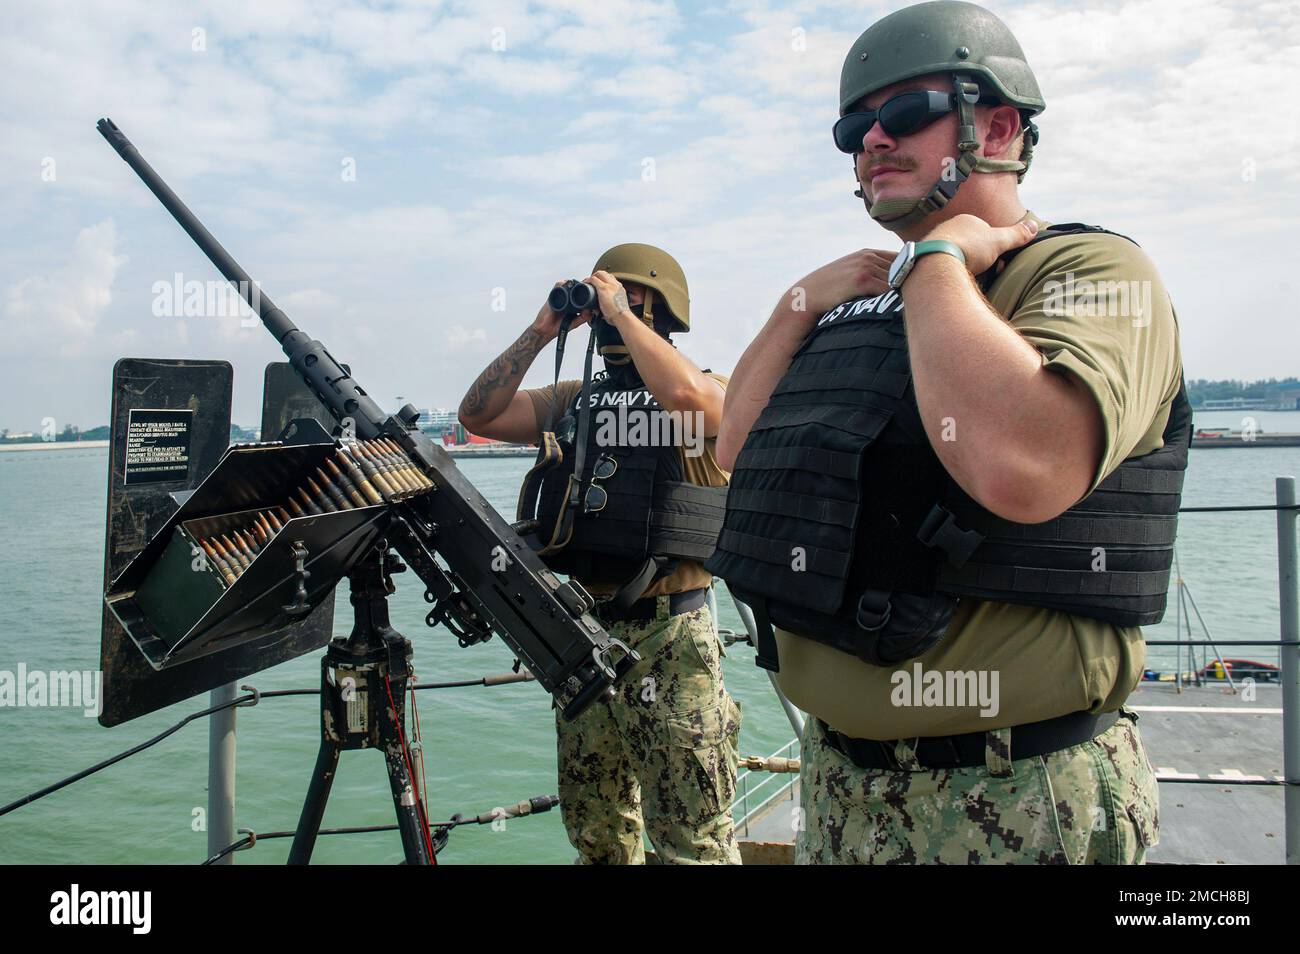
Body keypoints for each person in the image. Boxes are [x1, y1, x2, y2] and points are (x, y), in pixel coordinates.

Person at [708, 0, 1190, 864]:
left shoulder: (1089, 271)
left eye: (903, 115)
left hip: (1009, 794)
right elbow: (736, 454)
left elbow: (1023, 468)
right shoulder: (855, 299)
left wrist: (935, 264)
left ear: (997, 125)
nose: (872, 142)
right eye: (854, 127)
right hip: (843, 788)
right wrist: (797, 304)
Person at [458, 243, 742, 864]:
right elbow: (477, 413)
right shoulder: (573, 398)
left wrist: (622, 314)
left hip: (671, 640)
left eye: (631, 296)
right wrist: (541, 331)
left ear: (661, 306)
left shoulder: (710, 387)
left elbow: (692, 402)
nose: (614, 310)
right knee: (598, 832)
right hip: (585, 637)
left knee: (693, 842)